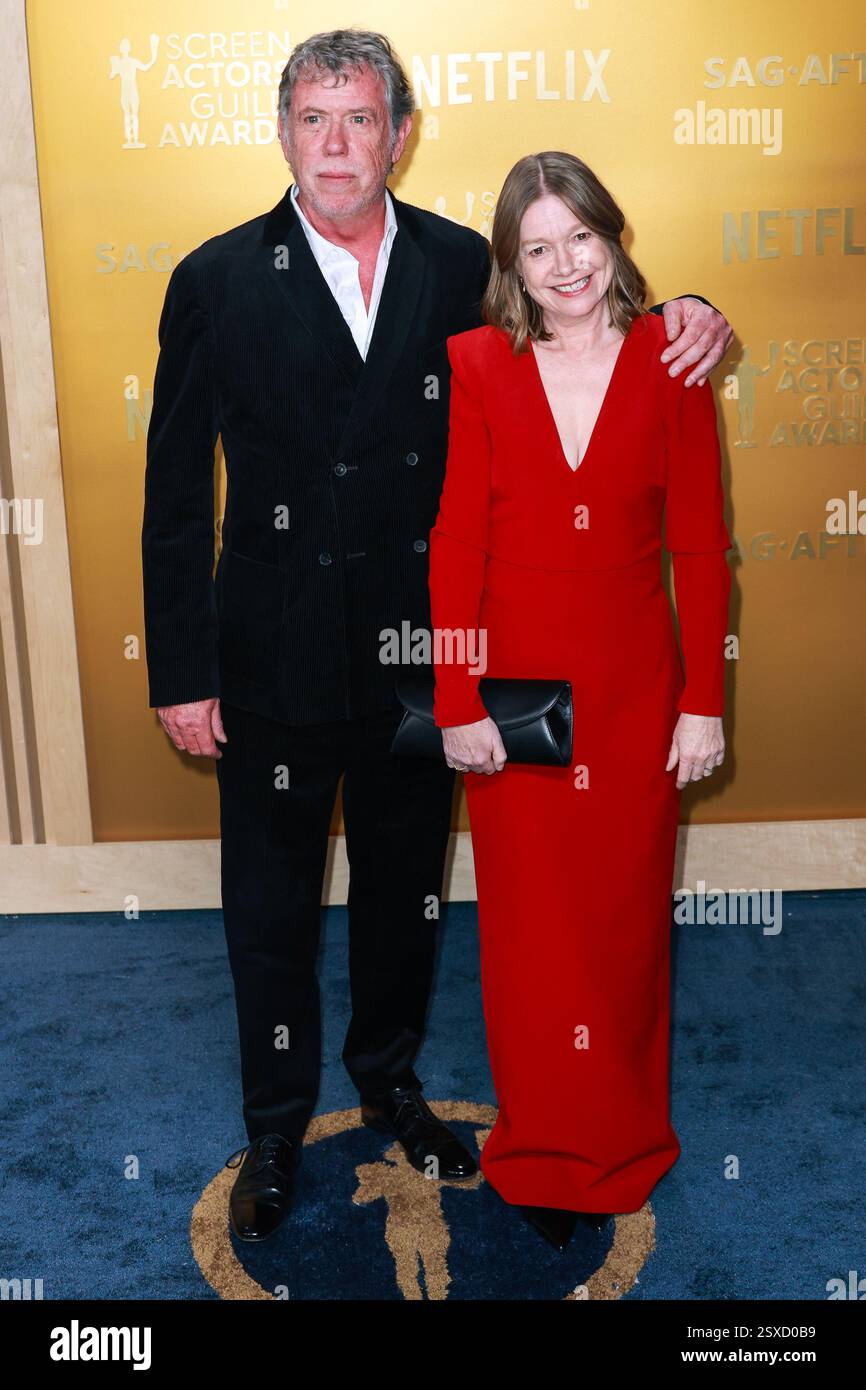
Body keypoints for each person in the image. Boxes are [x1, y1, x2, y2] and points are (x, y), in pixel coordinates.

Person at [141, 30, 733, 1245]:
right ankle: (272, 1126)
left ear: (399, 132)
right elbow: (170, 491)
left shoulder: (464, 263)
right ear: (283, 130)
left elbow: (581, 313)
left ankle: (391, 1084)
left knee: (407, 896)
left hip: (425, 662)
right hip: (271, 656)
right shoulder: (214, 277)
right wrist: (183, 668)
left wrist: (697, 315)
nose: (337, 143)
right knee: (270, 904)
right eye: (313, 118)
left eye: (361, 118)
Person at [428, 150, 732, 1251]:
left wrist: (702, 701)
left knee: (617, 924)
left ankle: (619, 1145)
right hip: (512, 696)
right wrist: (455, 691)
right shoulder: (476, 362)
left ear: (613, 236)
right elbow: (456, 540)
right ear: (512, 263)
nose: (562, 264)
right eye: (536, 246)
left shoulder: (672, 357)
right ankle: (542, 1149)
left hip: (633, 690)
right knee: (526, 932)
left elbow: (698, 546)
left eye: (579, 237)